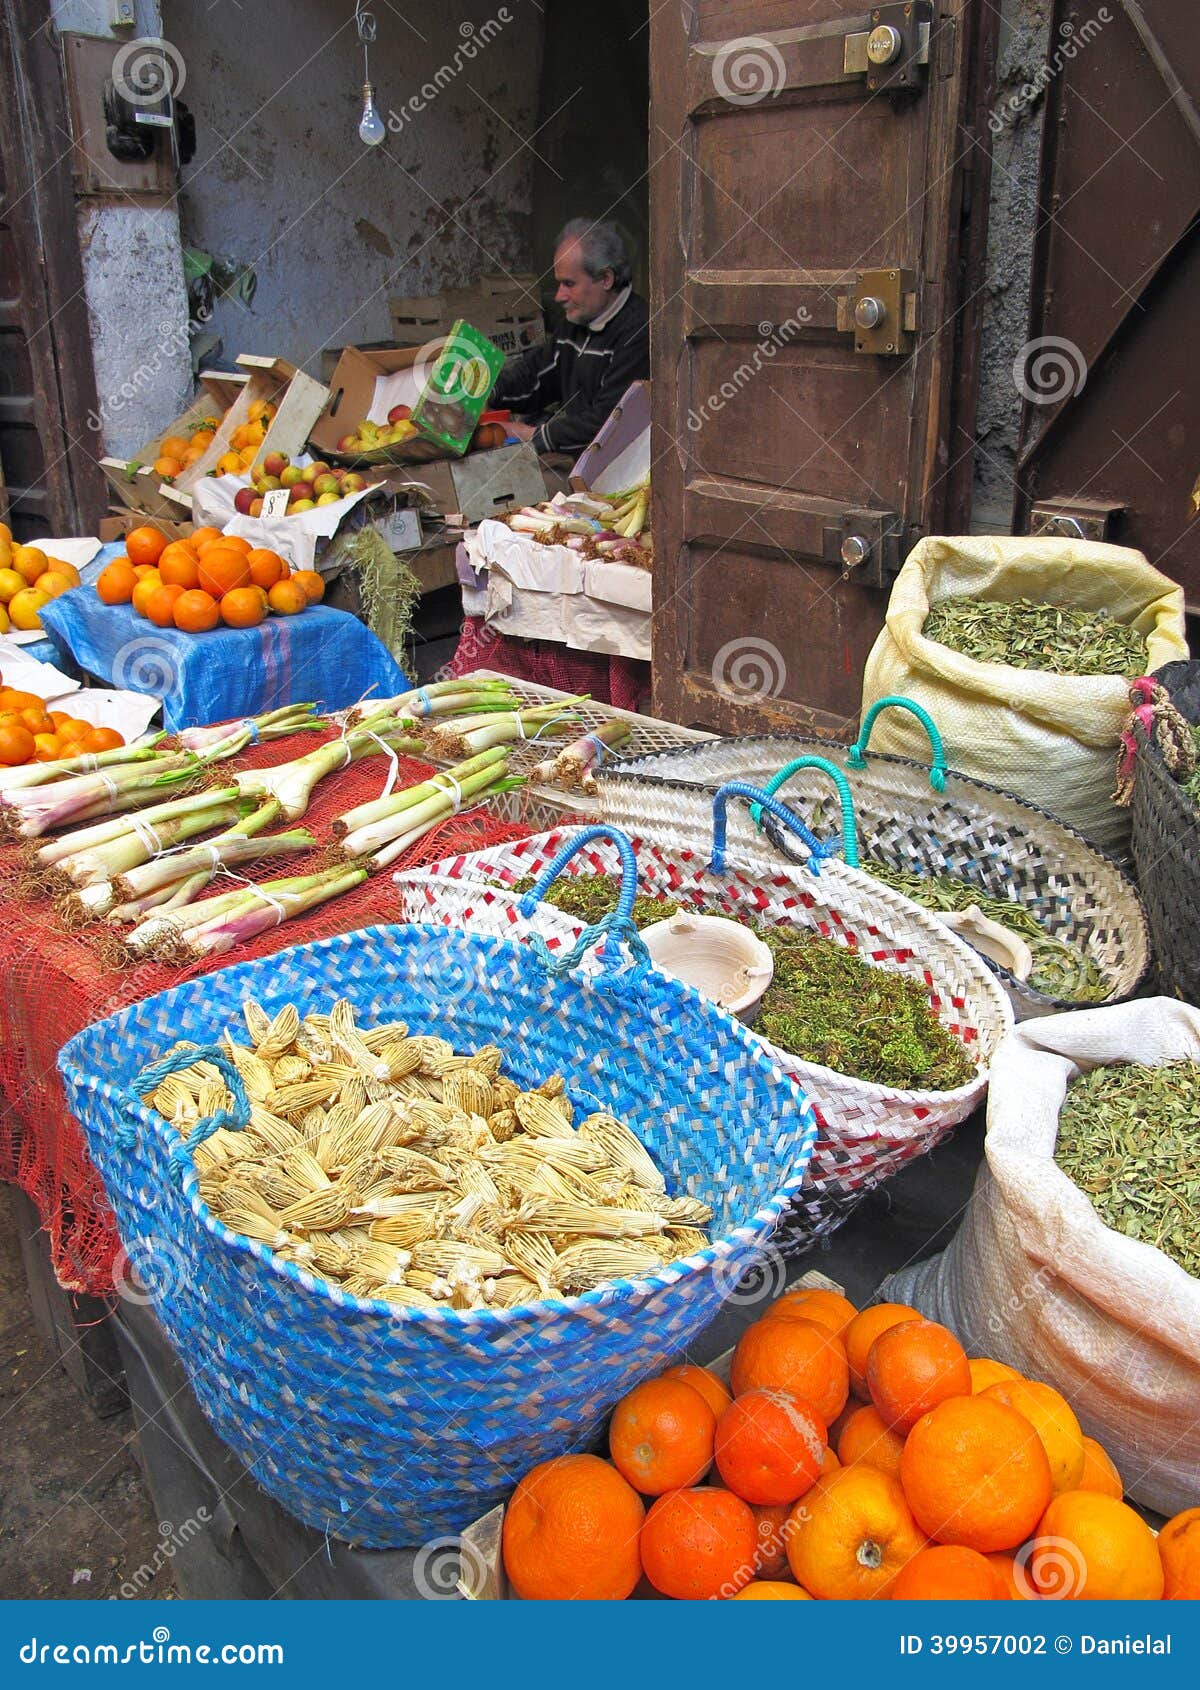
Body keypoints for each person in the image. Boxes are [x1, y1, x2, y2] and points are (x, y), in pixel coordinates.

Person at [490, 219, 649, 457]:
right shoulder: (577, 321)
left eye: (569, 284)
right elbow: (537, 373)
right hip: (580, 462)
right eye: (559, 283)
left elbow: (610, 423)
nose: (559, 296)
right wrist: (489, 392)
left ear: (606, 278)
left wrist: (530, 435)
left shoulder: (638, 331)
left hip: (620, 468)